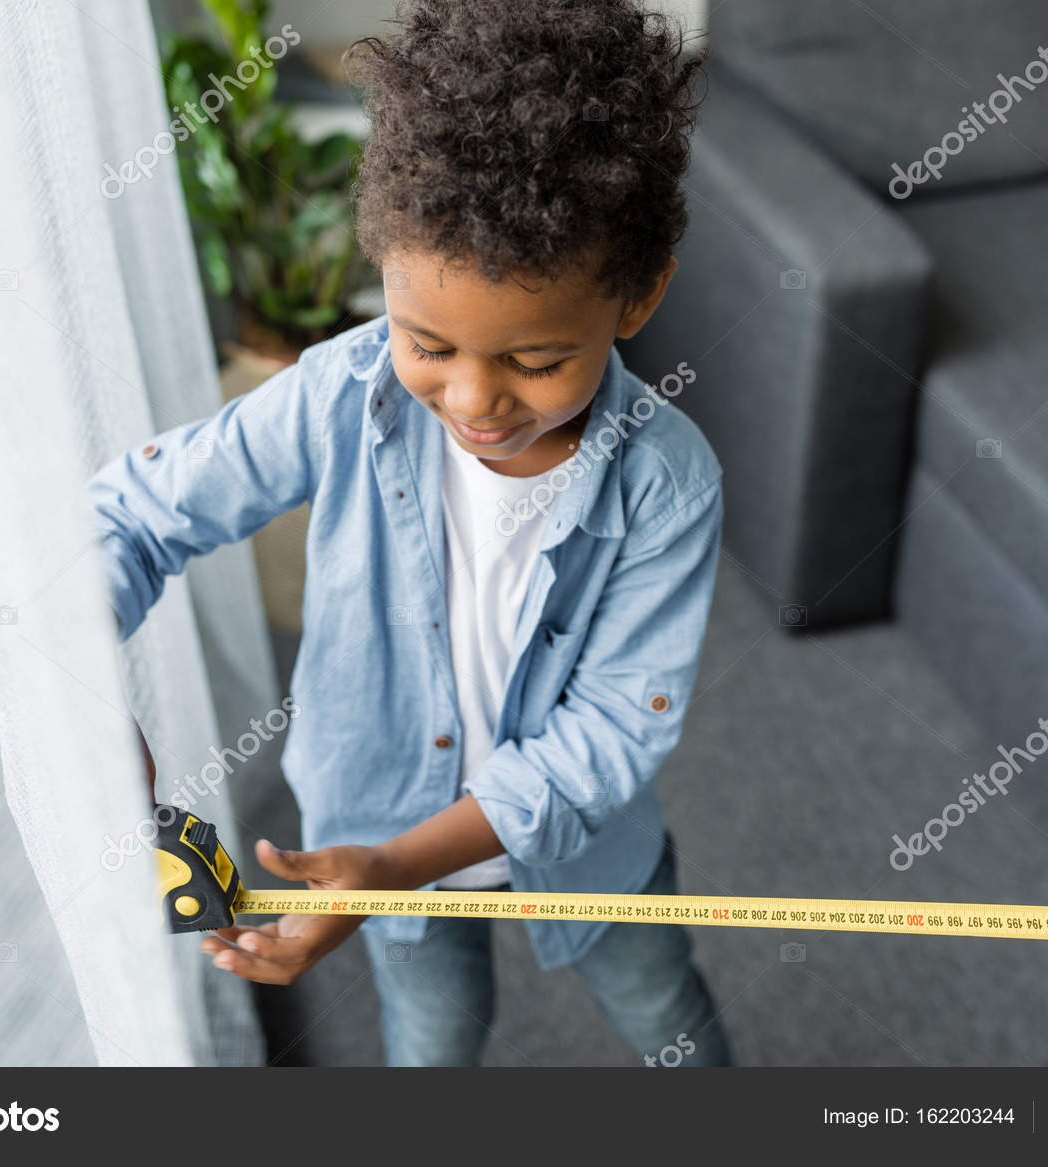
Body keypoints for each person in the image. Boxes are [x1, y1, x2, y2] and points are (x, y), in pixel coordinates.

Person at [88, 0, 730, 1066]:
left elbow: (610, 734)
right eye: (425, 341)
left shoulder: (667, 487)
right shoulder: (337, 393)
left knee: (668, 1019)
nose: (475, 398)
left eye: (534, 361)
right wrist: (93, 713)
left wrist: (400, 863)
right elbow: (126, 518)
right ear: (381, 260)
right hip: (367, 835)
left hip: (577, 852)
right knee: (431, 1046)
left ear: (636, 294)